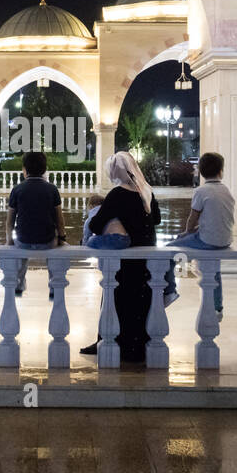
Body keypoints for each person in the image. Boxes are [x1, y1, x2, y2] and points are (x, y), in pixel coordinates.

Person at [81, 151, 160, 362]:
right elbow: (157, 219)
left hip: (124, 260)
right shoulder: (146, 191)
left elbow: (97, 224)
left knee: (115, 300)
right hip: (145, 257)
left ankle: (107, 340)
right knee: (140, 302)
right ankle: (136, 346)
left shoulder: (117, 194)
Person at [164, 151, 234, 312]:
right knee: (214, 270)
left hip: (208, 240)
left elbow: (192, 218)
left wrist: (187, 232)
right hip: (225, 240)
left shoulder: (201, 191)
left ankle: (170, 291)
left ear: (201, 172)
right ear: (221, 172)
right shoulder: (226, 190)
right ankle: (218, 306)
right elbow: (217, 218)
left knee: (168, 250)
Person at [7, 151, 66, 297]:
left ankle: (19, 284)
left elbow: (10, 220)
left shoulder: (17, 190)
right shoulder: (52, 189)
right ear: (44, 170)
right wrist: (62, 237)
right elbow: (59, 219)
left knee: (21, 244)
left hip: (24, 241)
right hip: (47, 241)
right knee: (54, 251)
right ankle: (53, 286)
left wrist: (9, 240)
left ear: (24, 170)